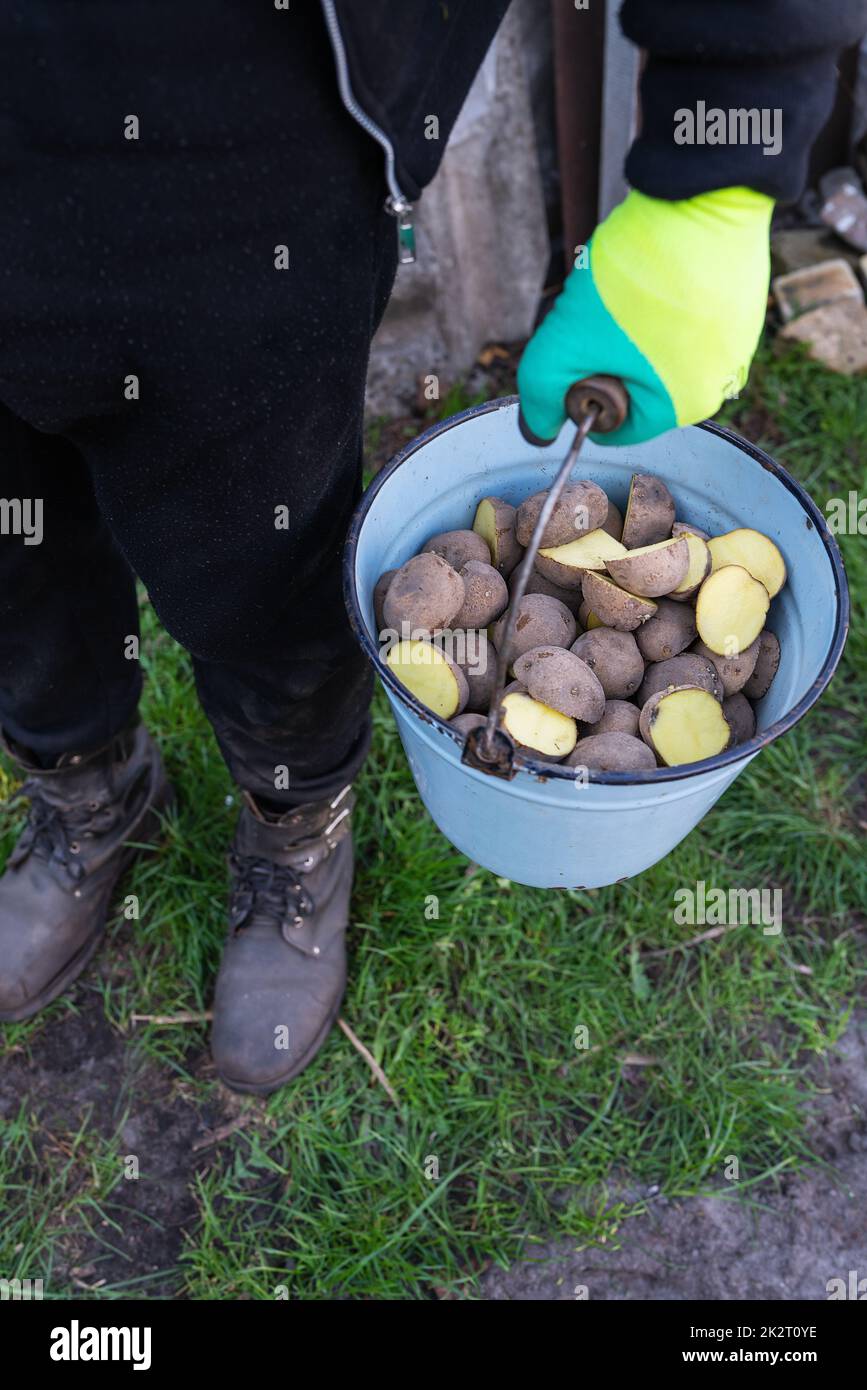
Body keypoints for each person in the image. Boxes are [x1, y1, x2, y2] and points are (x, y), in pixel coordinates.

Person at [0, 1, 863, 1093]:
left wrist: (720, 161)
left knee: (255, 563)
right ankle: (82, 784)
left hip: (238, 145)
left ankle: (295, 822)